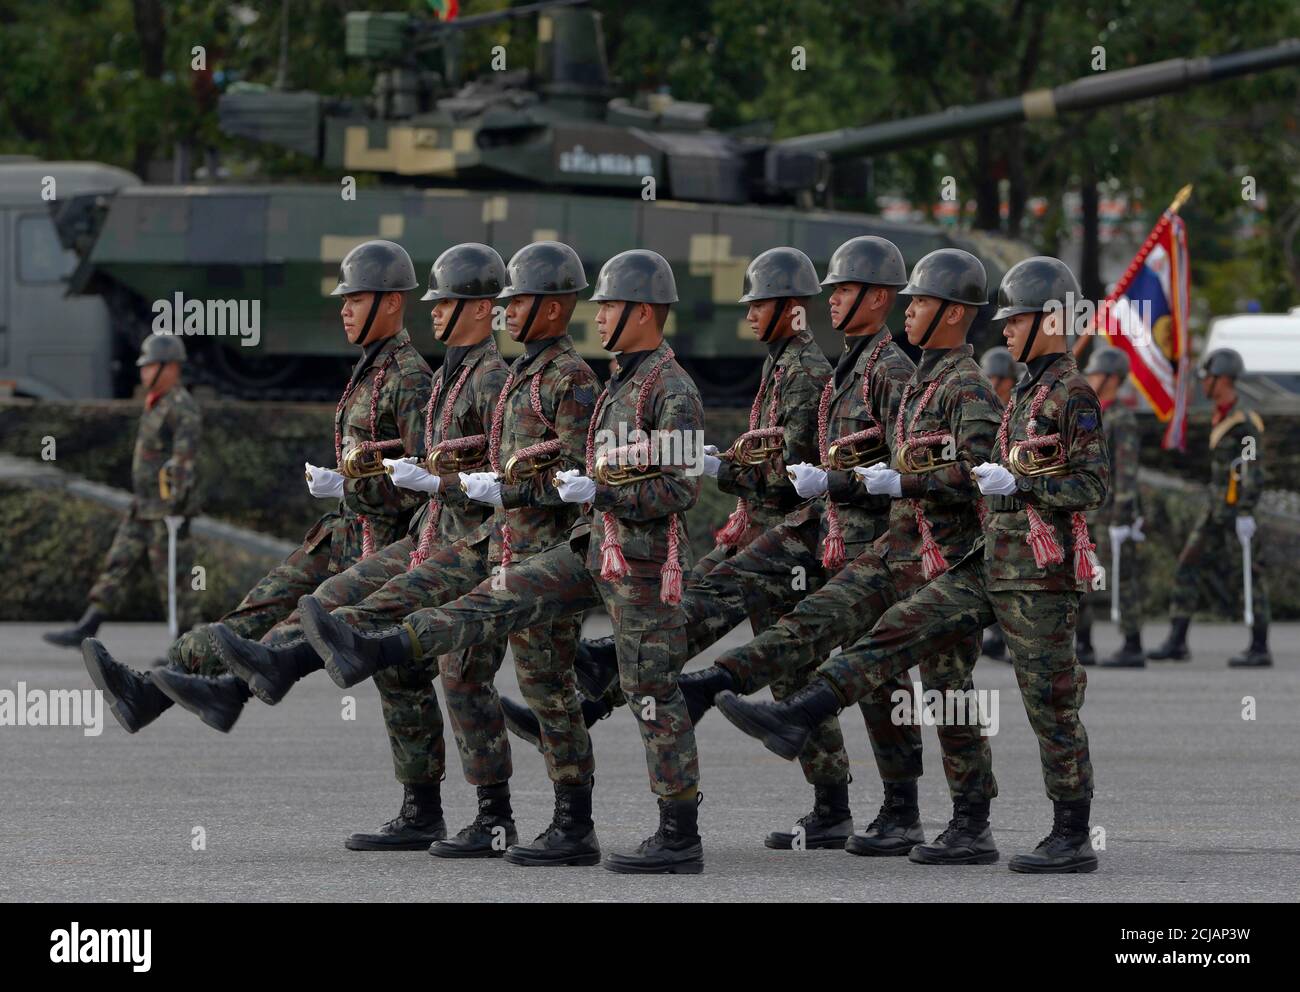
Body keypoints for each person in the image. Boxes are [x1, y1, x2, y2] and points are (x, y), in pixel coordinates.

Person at [299, 249, 711, 874]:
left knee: (646, 687)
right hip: (592, 547)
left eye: (610, 308)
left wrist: (600, 491)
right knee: (497, 604)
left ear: (644, 311)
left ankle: (677, 833)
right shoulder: (624, 379)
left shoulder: (669, 389)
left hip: (644, 562)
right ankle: (379, 644)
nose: (599, 319)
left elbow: (680, 489)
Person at [511, 236, 921, 852]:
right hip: (773, 528)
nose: (749, 314)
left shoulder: (817, 370)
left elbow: (809, 464)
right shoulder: (790, 365)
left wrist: (733, 471)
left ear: (791, 307)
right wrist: (732, 467)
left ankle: (893, 807)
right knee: (754, 643)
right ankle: (834, 806)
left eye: (759, 305)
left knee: (852, 671)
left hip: (820, 537)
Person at [716, 255, 1108, 874]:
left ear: (1049, 322)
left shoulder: (1071, 393)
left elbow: (1090, 484)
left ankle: (1071, 832)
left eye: (1017, 319)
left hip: (1037, 573)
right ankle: (803, 713)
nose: (1003, 329)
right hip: (986, 562)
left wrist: (1018, 486)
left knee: (1049, 700)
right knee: (894, 632)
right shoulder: (1026, 387)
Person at [82, 239, 433, 734]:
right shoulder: (370, 368)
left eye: (356, 299)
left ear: (392, 301)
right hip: (341, 533)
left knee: (396, 681)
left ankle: (428, 805)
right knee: (245, 622)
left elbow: (424, 484)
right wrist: (346, 483)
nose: (344, 310)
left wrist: (368, 486)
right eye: (344, 300)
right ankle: (150, 693)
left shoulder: (411, 378)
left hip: (380, 546)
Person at [44, 333, 202, 648]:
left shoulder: (182, 407)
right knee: (118, 562)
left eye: (149, 366)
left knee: (173, 577)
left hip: (166, 510)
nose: (143, 373)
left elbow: (185, 461)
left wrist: (176, 506)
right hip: (142, 505)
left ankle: (184, 648)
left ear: (169, 367)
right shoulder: (156, 403)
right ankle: (89, 623)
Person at [1147, 348, 1271, 668]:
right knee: (1188, 563)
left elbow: (1253, 469)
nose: (1204, 384)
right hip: (1215, 507)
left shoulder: (1244, 422)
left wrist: (1246, 511)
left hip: (1235, 510)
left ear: (1224, 379)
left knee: (1250, 574)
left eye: (1209, 378)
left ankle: (1260, 646)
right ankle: (1177, 639)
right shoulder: (1222, 415)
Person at [1077, 346, 1145, 668]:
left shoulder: (1122, 418)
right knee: (1082, 576)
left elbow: (1127, 471)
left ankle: (1132, 644)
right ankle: (1084, 643)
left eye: (1095, 373)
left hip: (1113, 515)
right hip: (1089, 512)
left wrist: (1123, 516)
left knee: (1122, 577)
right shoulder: (1093, 416)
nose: (1090, 379)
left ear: (1111, 378)